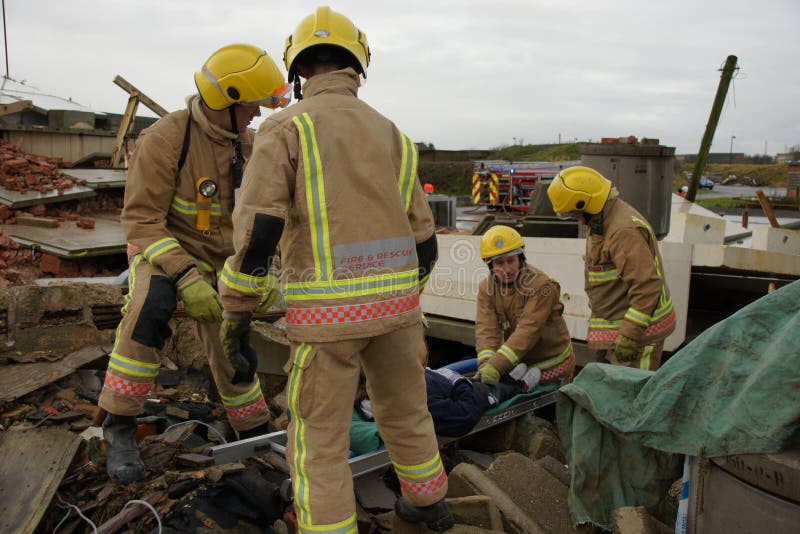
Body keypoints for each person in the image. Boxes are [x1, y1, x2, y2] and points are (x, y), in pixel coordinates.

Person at [218, 7, 453, 533]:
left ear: (298, 68)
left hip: (327, 325)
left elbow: (259, 230)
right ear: (357, 63)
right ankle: (429, 505)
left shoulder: (284, 127)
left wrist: (237, 309)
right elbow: (425, 241)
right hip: (398, 315)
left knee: (319, 441)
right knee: (407, 413)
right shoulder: (393, 134)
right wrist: (398, 300)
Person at [97, 44, 291, 485]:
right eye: (252, 107)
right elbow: (141, 221)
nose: (257, 116)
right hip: (163, 248)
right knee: (150, 308)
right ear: (227, 101)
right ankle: (120, 424)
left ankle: (253, 429)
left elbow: (263, 211)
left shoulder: (249, 143)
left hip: (222, 259)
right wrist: (185, 275)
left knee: (234, 341)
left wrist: (263, 269)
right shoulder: (165, 140)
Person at [547, 165, 676, 370]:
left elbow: (646, 287)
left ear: (586, 204)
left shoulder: (623, 232)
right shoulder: (601, 218)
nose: (576, 219)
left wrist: (630, 334)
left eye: (574, 213)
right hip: (620, 330)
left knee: (634, 394)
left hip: (641, 336)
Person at [473, 225, 575, 385]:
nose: (507, 269)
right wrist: (486, 364)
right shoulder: (487, 289)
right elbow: (487, 330)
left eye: (511, 261)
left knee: (550, 410)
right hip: (521, 366)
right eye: (499, 263)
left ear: (520, 258)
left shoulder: (541, 285)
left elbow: (528, 330)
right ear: (490, 265)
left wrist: (496, 366)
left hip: (553, 365)